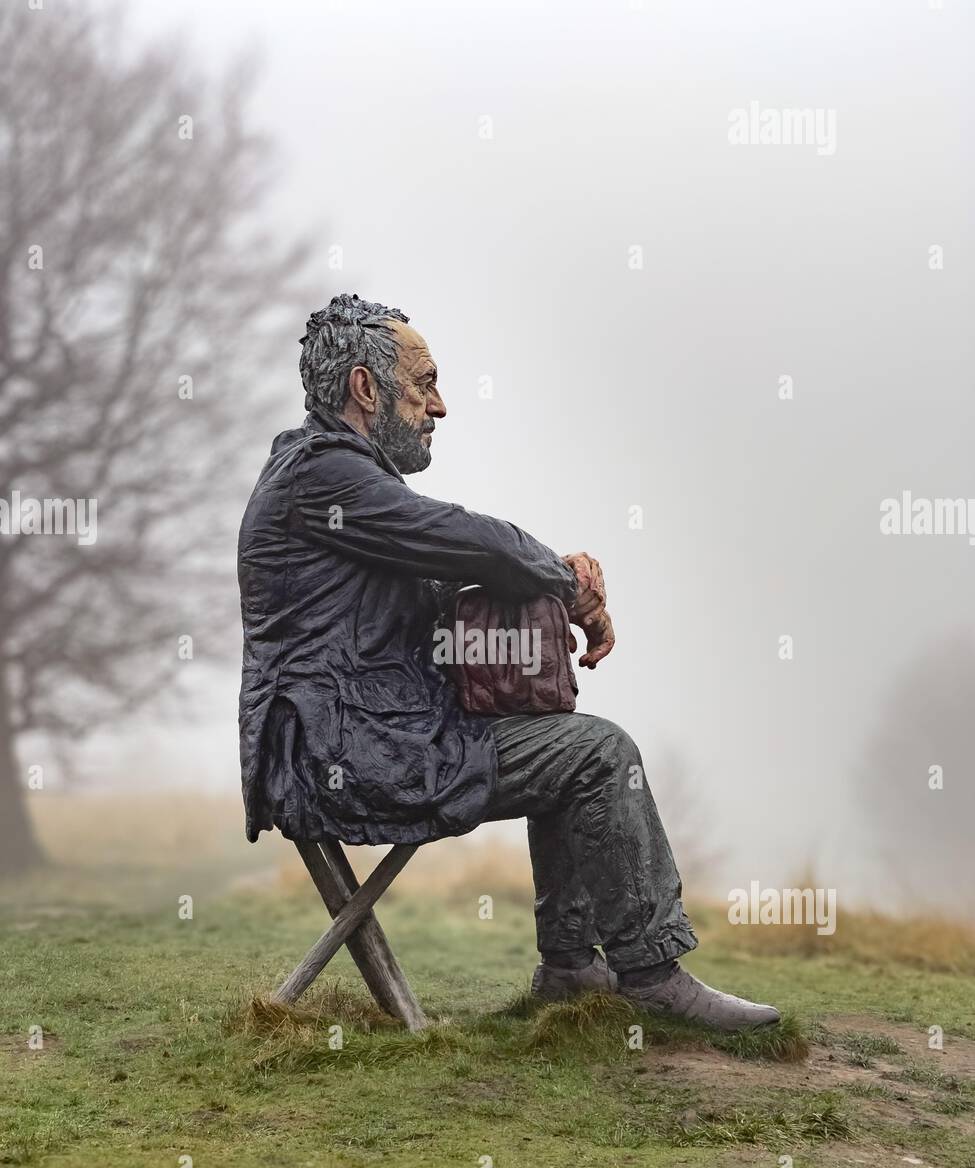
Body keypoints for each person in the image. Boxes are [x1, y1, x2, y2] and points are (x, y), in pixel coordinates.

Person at [237, 294, 779, 1031]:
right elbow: (471, 543)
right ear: (366, 388)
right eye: (422, 384)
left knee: (560, 739)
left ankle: (570, 971)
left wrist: (560, 582)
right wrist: (567, 581)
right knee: (597, 752)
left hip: (360, 737)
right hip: (344, 754)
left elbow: (447, 584)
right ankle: (650, 977)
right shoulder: (324, 479)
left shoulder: (331, 481)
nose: (440, 406)